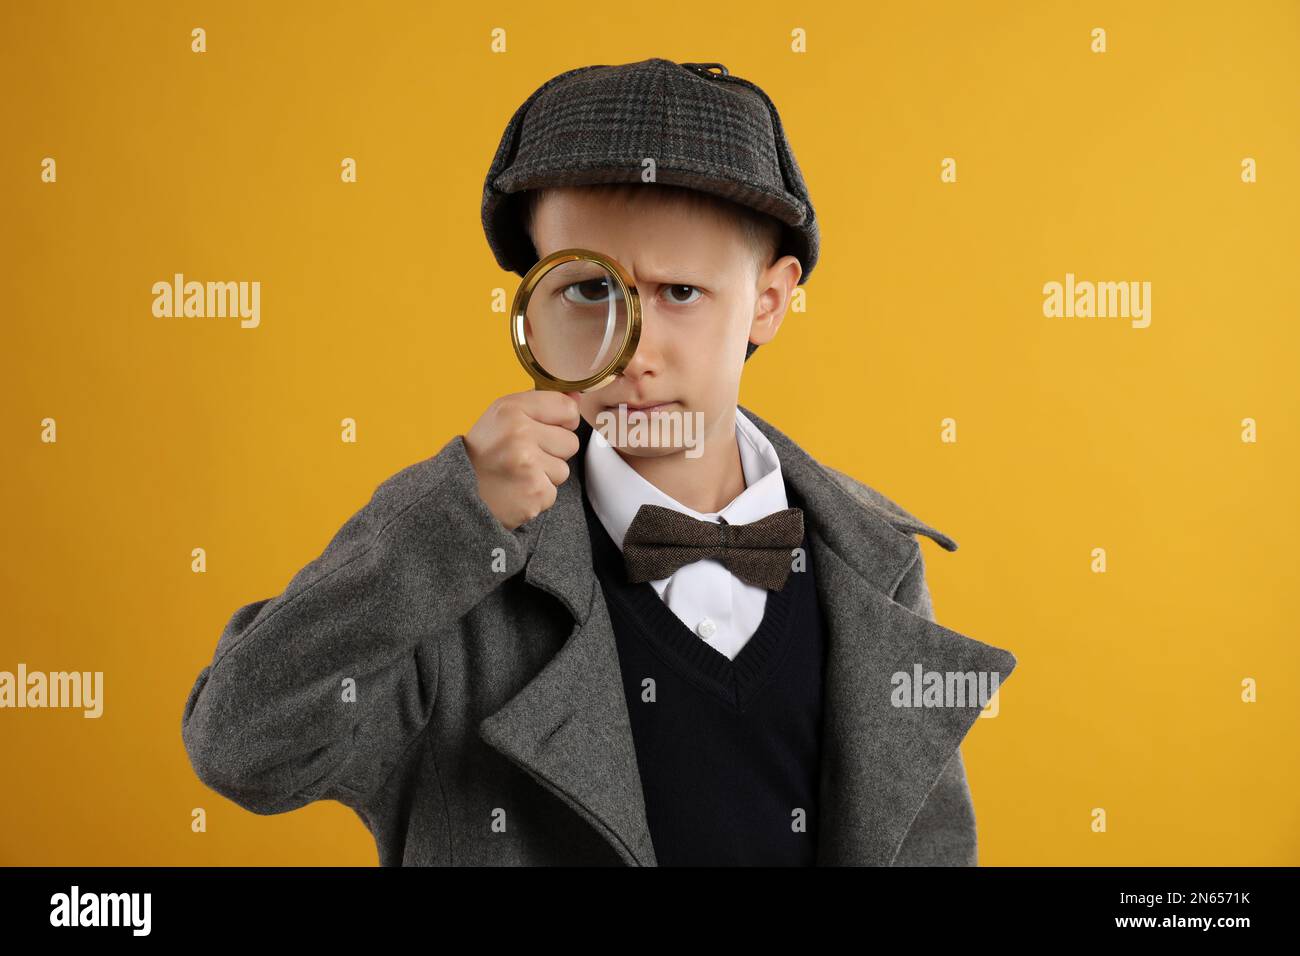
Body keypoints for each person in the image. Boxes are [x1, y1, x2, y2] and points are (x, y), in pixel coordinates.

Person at [181, 58, 1017, 866]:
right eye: (589, 290)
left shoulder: (871, 562)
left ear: (769, 300)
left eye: (680, 293)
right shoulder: (456, 571)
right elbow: (241, 745)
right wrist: (447, 518)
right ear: (533, 302)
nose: (633, 352)